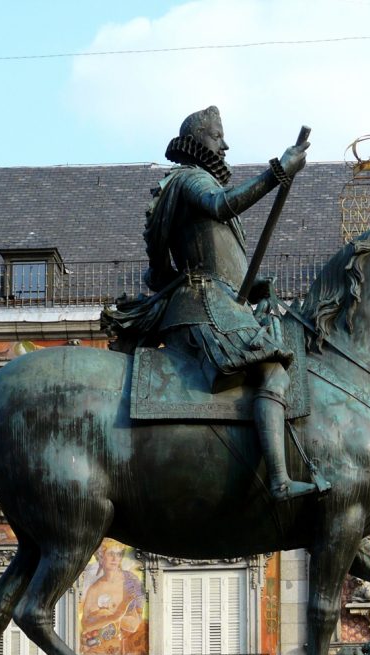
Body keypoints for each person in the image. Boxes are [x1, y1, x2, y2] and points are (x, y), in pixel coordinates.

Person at [104, 106, 319, 503]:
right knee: (273, 372)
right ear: (199, 138)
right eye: (218, 136)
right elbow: (222, 206)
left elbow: (219, 262)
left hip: (216, 299)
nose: (225, 144)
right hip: (202, 305)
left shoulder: (191, 185)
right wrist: (278, 171)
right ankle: (279, 481)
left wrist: (255, 286)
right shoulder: (189, 179)